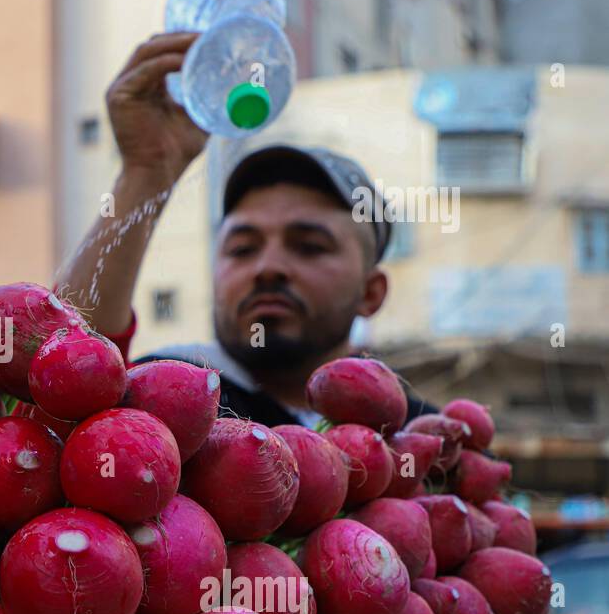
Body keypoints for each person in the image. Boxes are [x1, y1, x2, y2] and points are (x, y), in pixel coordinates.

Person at [58, 33, 433, 428]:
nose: (268, 267)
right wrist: (147, 170)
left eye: (308, 246)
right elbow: (66, 367)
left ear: (371, 293)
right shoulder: (162, 394)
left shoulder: (417, 438)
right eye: (242, 248)